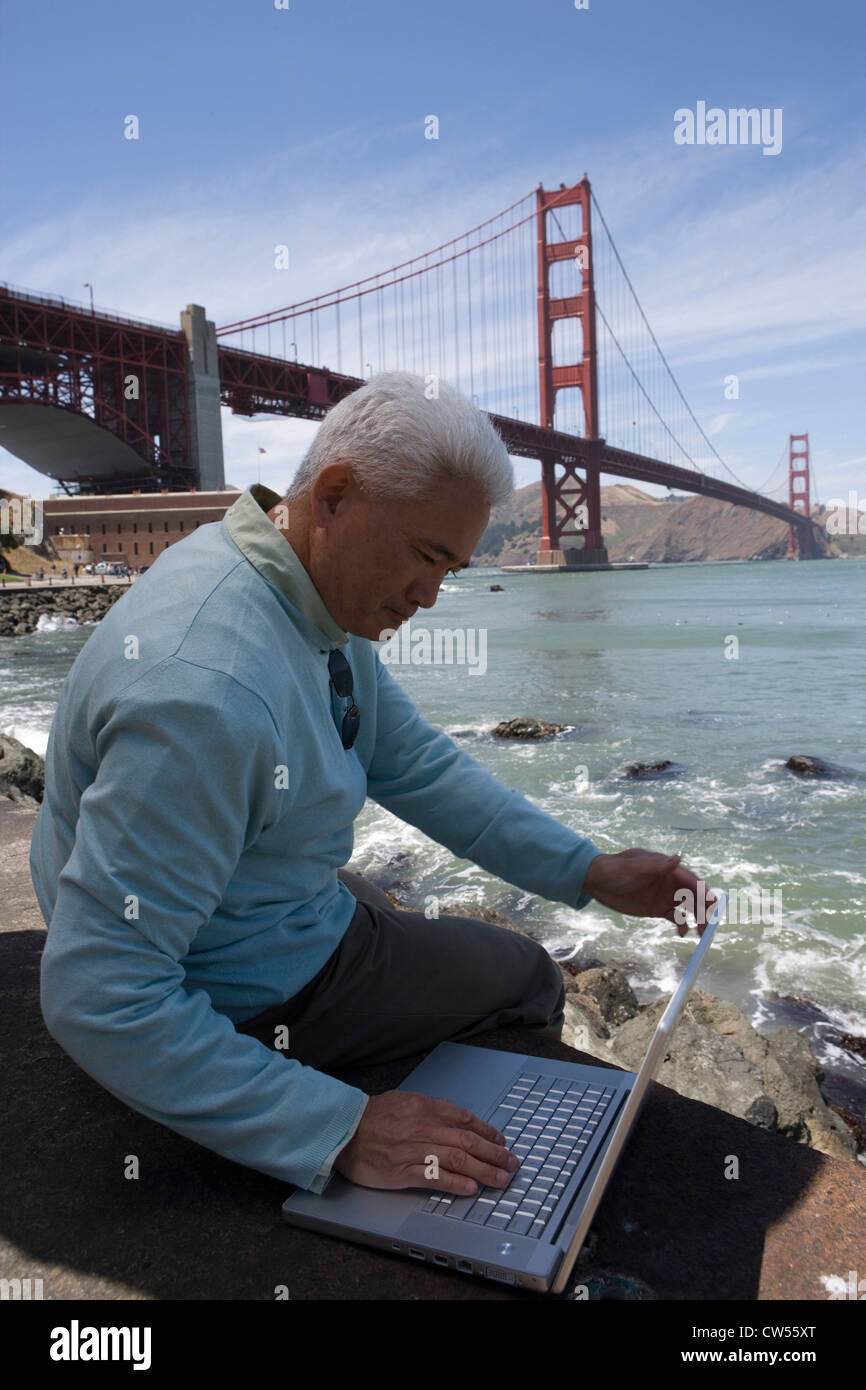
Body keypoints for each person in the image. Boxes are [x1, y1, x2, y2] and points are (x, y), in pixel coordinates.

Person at [31, 371, 713, 1203]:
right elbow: (99, 992)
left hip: (244, 908)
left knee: (381, 908)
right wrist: (338, 1127)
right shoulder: (208, 695)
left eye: (451, 568)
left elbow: (408, 759)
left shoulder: (287, 580)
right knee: (527, 973)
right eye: (425, 556)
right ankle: (476, 1167)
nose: (430, 596)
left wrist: (587, 871)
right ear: (334, 495)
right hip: (236, 990)